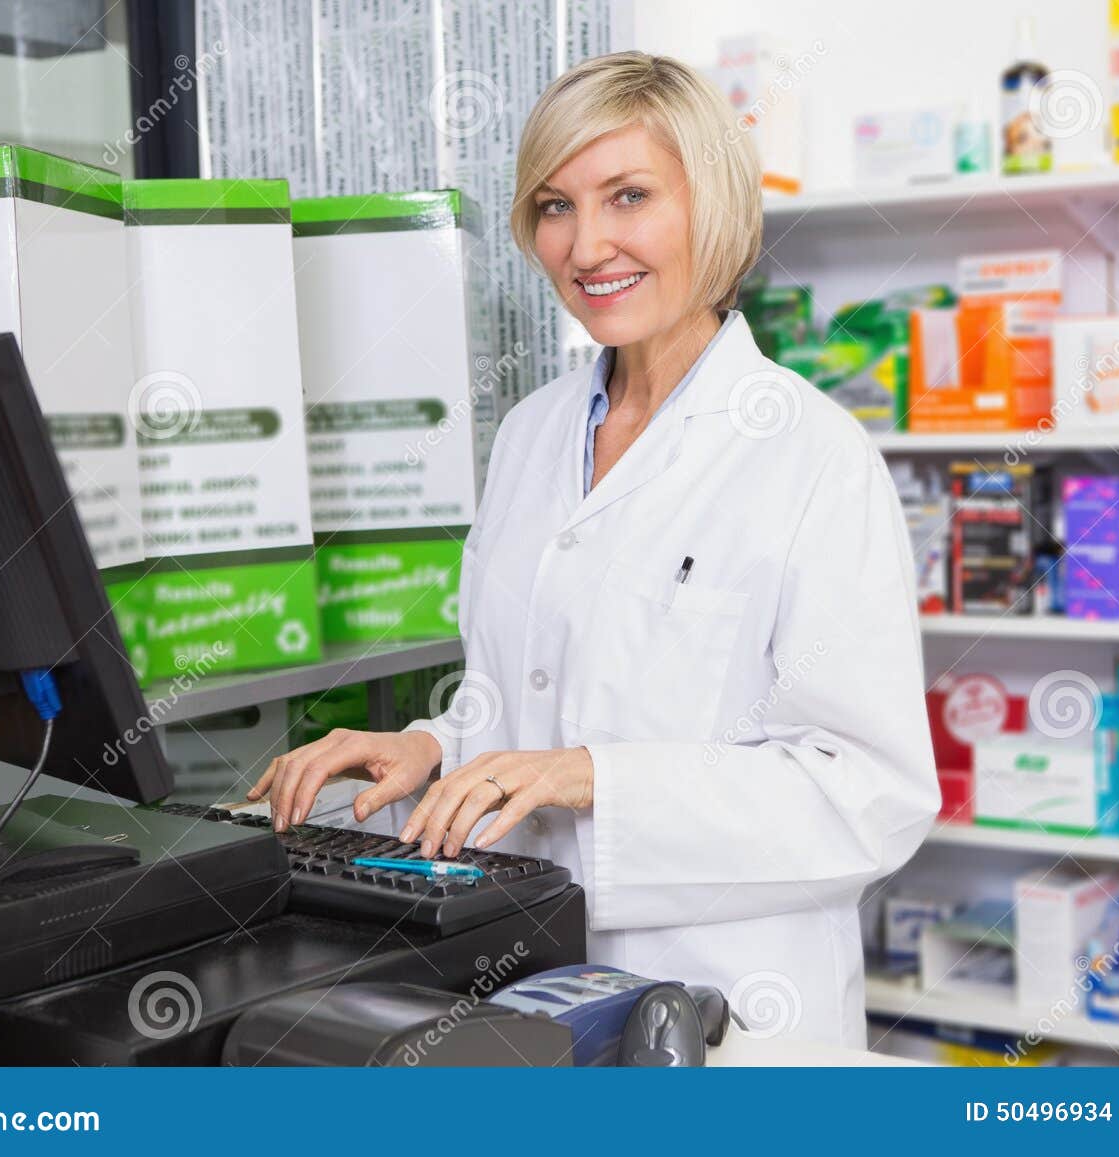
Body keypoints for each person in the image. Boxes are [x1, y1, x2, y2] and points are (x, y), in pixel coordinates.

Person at [250, 50, 938, 1047]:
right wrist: (431, 746)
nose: (586, 243)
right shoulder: (532, 431)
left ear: (713, 204)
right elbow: (527, 697)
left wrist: (594, 776)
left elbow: (867, 794)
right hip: (528, 983)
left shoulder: (810, 453)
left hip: (727, 1015)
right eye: (553, 205)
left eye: (628, 195)